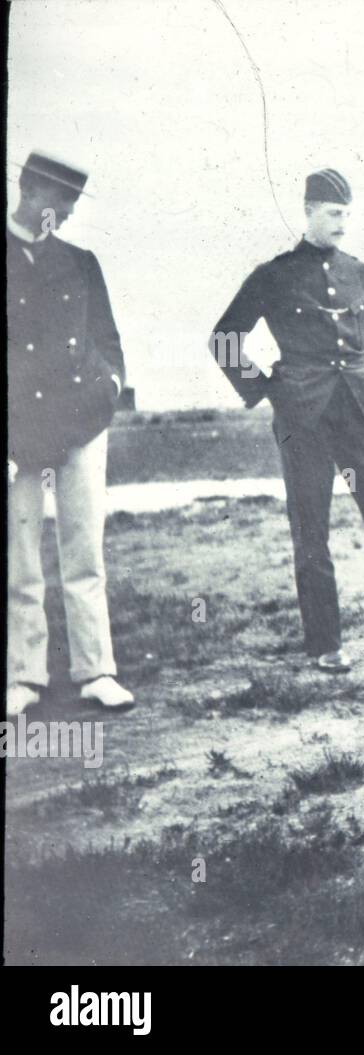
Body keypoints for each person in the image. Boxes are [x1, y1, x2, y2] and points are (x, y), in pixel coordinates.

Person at [208, 168, 364, 671]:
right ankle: (326, 646)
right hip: (302, 417)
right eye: (332, 213)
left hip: (359, 414)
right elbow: (224, 337)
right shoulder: (274, 274)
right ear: (308, 212)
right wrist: (267, 388)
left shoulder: (358, 271)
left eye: (347, 213)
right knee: (312, 529)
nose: (342, 223)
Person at [7, 151, 134, 716]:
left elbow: (108, 341)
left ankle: (96, 671)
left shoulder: (81, 263)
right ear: (29, 192)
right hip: (16, 430)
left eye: (72, 206)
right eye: (61, 203)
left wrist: (108, 387)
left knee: (84, 552)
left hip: (81, 422)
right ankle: (23, 678)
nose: (66, 214)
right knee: (19, 558)